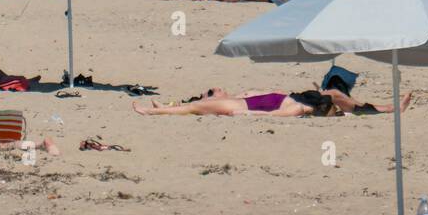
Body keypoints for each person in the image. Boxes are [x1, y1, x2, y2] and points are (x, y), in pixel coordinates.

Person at [133, 85, 413, 117]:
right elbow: (191, 108)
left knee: (336, 94)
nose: (215, 89)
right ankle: (391, 108)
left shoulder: (237, 96)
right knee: (338, 97)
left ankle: (389, 107)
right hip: (294, 104)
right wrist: (153, 110)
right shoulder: (221, 105)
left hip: (296, 97)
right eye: (210, 91)